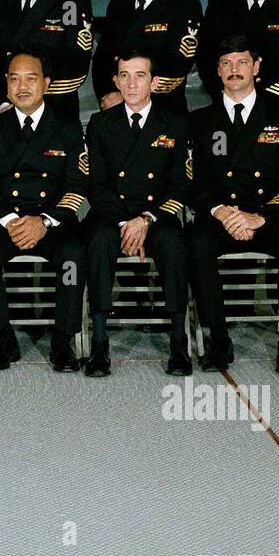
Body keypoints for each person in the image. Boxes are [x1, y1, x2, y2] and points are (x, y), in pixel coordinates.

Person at [188, 35, 279, 375]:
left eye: (242, 62)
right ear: (217, 71)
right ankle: (218, 338)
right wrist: (223, 212)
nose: (234, 70)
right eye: (226, 64)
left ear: (256, 67)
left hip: (269, 218)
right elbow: (191, 182)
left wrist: (259, 216)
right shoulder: (200, 121)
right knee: (197, 245)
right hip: (221, 218)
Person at [0, 50, 88, 372]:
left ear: (46, 84)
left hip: (54, 221)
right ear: (7, 85)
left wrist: (44, 222)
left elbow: (77, 187)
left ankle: (63, 340)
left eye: (31, 78)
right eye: (14, 78)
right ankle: (3, 337)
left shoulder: (67, 127)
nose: (22, 86)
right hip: (6, 220)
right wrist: (12, 222)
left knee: (72, 259)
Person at [83, 47, 193, 377]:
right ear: (115, 80)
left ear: (154, 82)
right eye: (125, 76)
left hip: (156, 215)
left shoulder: (174, 124)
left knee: (174, 245)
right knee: (98, 242)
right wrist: (124, 221)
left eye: (140, 75)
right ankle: (99, 343)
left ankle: (178, 341)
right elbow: (96, 185)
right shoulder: (100, 123)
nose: (131, 84)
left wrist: (145, 220)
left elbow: (181, 184)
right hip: (111, 214)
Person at [91, 0, 201, 113]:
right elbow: (102, 61)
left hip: (161, 113)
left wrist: (126, 99)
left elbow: (176, 67)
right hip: (115, 113)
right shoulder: (118, 4)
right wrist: (107, 97)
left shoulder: (185, 6)